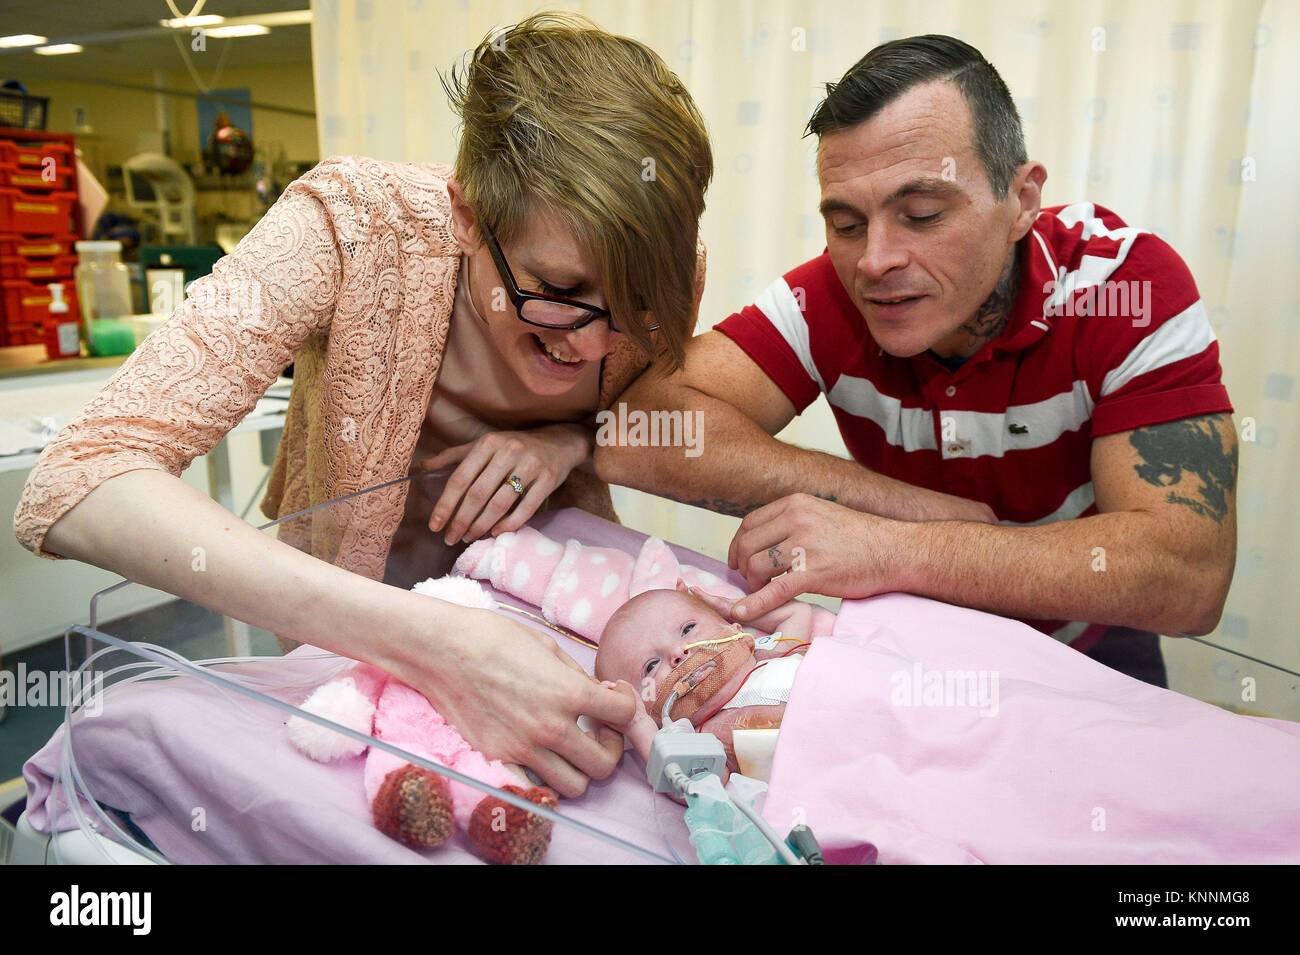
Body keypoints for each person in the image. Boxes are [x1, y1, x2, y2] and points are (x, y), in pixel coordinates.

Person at [12, 13, 713, 797]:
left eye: (633, 304)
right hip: (350, 624)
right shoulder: (349, 228)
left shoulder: (661, 271)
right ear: (466, 216)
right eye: (557, 293)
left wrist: (569, 441)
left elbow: (651, 406)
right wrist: (430, 644)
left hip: (547, 620)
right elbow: (77, 480)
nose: (594, 343)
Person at [595, 35, 1237, 687]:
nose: (875, 261)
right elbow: (635, 429)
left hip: (1088, 647)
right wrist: (913, 511)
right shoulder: (833, 294)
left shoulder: (1123, 285)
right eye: (847, 224)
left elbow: (1189, 573)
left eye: (921, 214)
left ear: (1021, 201)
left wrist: (892, 546)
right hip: (918, 646)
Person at [595, 583, 835, 778]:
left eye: (688, 629)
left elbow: (797, 612)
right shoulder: (703, 741)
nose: (677, 652)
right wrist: (637, 725)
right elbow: (688, 783)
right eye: (651, 666)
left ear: (736, 631)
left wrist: (731, 610)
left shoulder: (772, 652)